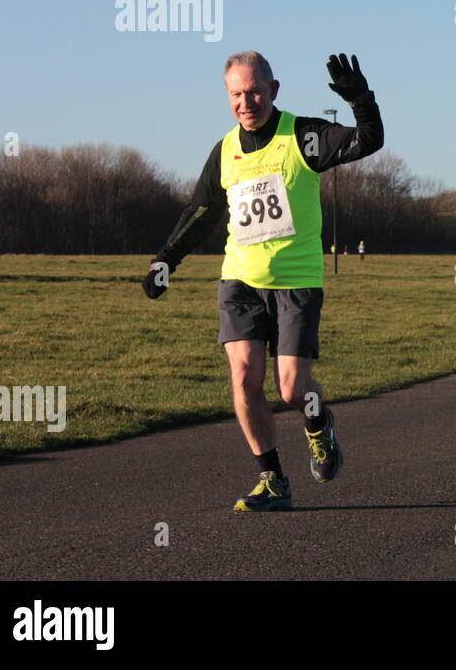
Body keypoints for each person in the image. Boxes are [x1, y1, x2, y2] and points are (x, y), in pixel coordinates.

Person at [142, 51, 383, 511]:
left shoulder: (304, 136)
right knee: (245, 377)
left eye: (254, 91)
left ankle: (318, 425)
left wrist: (360, 99)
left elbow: (370, 139)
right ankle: (272, 479)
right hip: (240, 281)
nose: (245, 101)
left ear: (273, 90)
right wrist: (166, 259)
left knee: (292, 389)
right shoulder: (226, 150)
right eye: (236, 94)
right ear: (226, 96)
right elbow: (201, 211)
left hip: (296, 281)